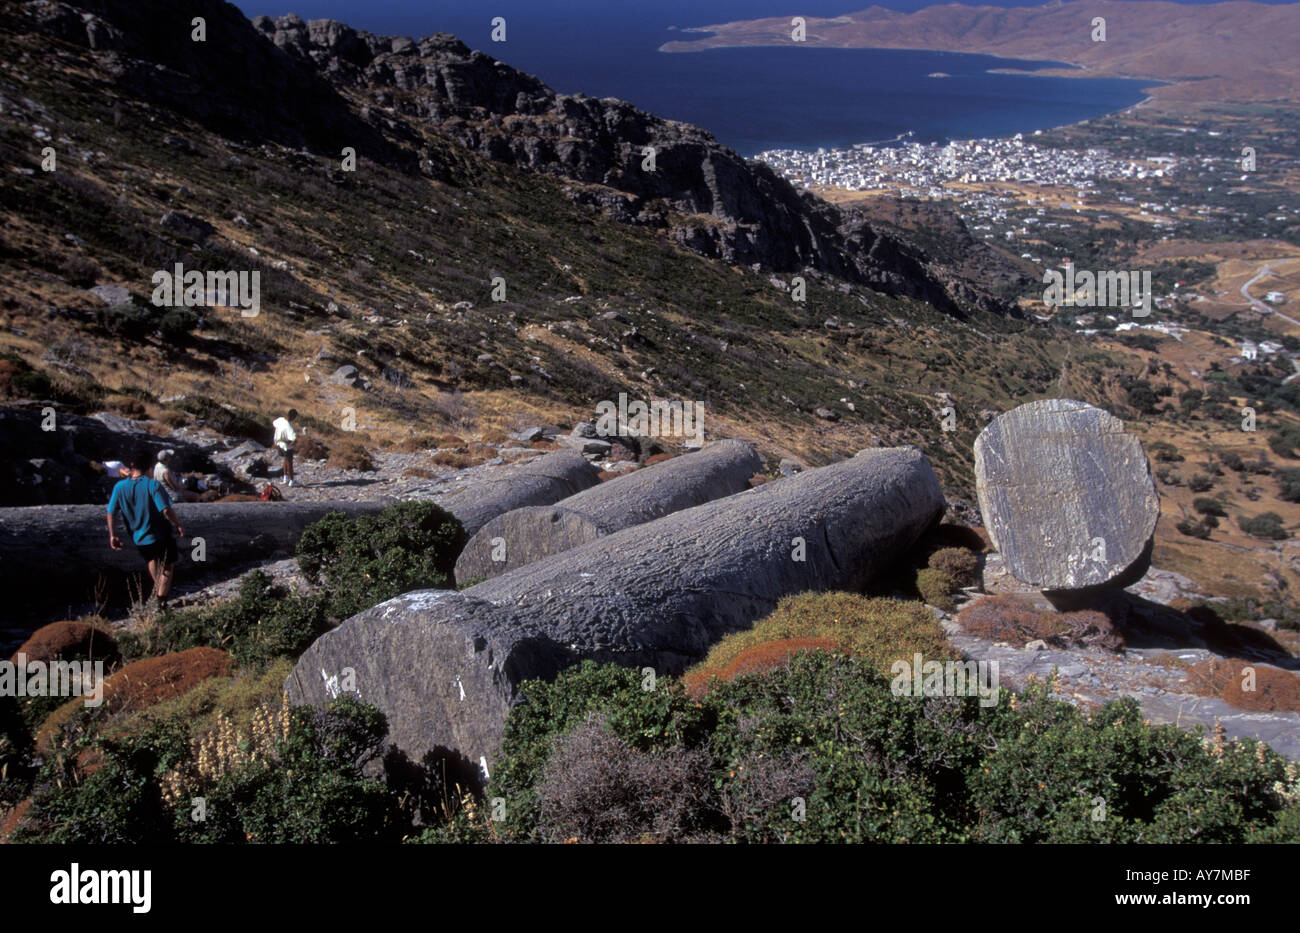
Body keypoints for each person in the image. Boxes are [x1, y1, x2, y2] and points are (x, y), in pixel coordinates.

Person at [106, 448, 186, 607]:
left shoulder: (119, 487)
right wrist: (178, 524)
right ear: (149, 468)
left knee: (152, 559)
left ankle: (157, 591)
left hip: (139, 537)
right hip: (160, 534)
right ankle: (161, 599)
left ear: (132, 466)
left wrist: (113, 535)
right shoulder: (152, 484)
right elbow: (166, 510)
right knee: (168, 565)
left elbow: (111, 512)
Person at [272, 409, 298, 487]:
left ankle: (285, 478)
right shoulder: (289, 427)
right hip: (286, 446)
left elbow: (274, 424)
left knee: (285, 460)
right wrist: (290, 445)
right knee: (290, 463)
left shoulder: (280, 420)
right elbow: (294, 439)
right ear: (293, 417)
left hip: (279, 444)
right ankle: (292, 481)